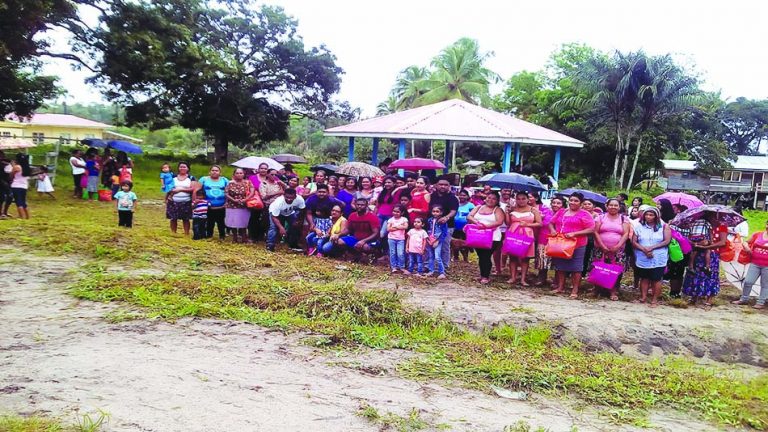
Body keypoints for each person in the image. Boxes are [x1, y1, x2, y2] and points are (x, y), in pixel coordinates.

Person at [549, 192, 595, 299]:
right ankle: (560, 287)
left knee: (576, 268)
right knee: (561, 266)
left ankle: (575, 290)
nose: (573, 202)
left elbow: (591, 229)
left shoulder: (585, 214)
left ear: (581, 203)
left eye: (576, 201)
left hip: (578, 244)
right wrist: (552, 230)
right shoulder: (562, 211)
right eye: (571, 200)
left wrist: (575, 233)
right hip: (561, 243)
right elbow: (551, 223)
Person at [682, 213, 726, 308]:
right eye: (712, 216)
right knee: (695, 274)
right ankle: (694, 296)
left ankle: (709, 298)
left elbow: (723, 242)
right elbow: (690, 236)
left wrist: (708, 246)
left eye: (715, 216)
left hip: (712, 254)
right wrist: (696, 244)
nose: (714, 218)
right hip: (698, 253)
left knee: (710, 275)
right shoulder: (700, 225)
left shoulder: (722, 227)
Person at [592, 198, 631, 301]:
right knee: (599, 268)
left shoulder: (624, 219)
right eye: (611, 205)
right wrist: (602, 246)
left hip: (618, 250)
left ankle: (613, 291)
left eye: (615, 205)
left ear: (619, 207)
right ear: (606, 206)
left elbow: (626, 233)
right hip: (601, 248)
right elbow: (595, 232)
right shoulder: (600, 217)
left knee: (615, 270)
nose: (613, 207)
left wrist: (618, 246)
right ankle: (597, 289)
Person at [632, 207, 671, 307]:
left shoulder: (664, 226)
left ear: (656, 216)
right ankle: (643, 297)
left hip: (658, 256)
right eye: (647, 214)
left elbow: (666, 241)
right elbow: (634, 241)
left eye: (651, 215)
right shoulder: (639, 226)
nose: (648, 217)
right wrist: (644, 249)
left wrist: (652, 248)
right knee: (644, 277)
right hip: (642, 255)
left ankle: (654, 300)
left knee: (656, 278)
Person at [467, 191, 506, 284]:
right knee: (481, 256)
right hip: (478, 235)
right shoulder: (478, 207)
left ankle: (485, 276)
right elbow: (469, 216)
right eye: (489, 197)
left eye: (493, 198)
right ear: (485, 198)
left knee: (486, 255)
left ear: (497, 201)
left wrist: (486, 226)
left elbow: (499, 222)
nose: (490, 200)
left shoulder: (498, 210)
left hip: (492, 237)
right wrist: (477, 223)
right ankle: (482, 274)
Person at [505, 191, 542, 286]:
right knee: (512, 256)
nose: (521, 201)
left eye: (523, 198)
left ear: (527, 199)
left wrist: (527, 224)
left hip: (527, 233)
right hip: (513, 232)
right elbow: (508, 223)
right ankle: (513, 277)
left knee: (525, 257)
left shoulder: (533, 210)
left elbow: (539, 223)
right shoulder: (512, 209)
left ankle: (523, 279)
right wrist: (506, 213)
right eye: (518, 199)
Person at [732, 220, 768, 309]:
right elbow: (746, 242)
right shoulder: (758, 234)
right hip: (755, 263)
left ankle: (761, 302)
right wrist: (747, 247)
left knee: (765, 284)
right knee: (748, 281)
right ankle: (744, 299)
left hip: (767, 265)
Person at [430, 178, 459, 270]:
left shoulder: (452, 198)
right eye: (440, 184)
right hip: (433, 225)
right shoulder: (432, 196)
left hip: (447, 225)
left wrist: (446, 217)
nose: (443, 186)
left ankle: (444, 266)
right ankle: (431, 266)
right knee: (432, 245)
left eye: (445, 185)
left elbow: (453, 211)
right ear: (436, 185)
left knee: (444, 246)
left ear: (449, 186)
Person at [339, 198, 381, 262]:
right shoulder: (352, 215)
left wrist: (363, 241)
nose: (359, 206)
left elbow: (376, 233)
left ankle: (373, 254)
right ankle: (357, 255)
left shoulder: (372, 216)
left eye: (362, 205)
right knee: (340, 241)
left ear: (366, 206)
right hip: (357, 238)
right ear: (355, 205)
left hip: (370, 240)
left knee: (365, 247)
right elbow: (348, 229)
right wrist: (337, 235)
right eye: (358, 204)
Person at [305, 184, 341, 254]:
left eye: (324, 192)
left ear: (328, 192)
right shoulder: (311, 199)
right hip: (315, 219)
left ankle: (320, 252)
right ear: (316, 192)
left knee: (320, 241)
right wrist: (312, 224)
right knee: (309, 237)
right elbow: (308, 213)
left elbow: (342, 204)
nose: (321, 194)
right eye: (319, 192)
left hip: (328, 220)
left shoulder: (331, 200)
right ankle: (311, 249)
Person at [195, 165, 229, 240]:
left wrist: (227, 203)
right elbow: (196, 190)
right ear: (209, 172)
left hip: (221, 206)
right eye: (213, 170)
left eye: (216, 170)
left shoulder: (224, 180)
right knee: (210, 222)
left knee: (221, 222)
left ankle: (222, 236)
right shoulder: (204, 179)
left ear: (220, 172)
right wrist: (195, 201)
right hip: (207, 206)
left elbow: (228, 192)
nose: (214, 172)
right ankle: (209, 235)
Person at [267, 188, 306, 252]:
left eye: (291, 198)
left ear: (295, 196)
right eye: (287, 197)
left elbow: (302, 209)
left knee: (295, 226)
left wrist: (299, 220)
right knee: (273, 227)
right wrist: (281, 228)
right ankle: (270, 245)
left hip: (290, 212)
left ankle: (293, 245)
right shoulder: (278, 202)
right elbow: (274, 217)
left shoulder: (299, 199)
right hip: (276, 214)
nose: (289, 199)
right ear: (284, 195)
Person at [255, 167, 285, 241]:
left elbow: (287, 191)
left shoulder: (278, 183)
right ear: (268, 174)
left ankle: (277, 238)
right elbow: (264, 197)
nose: (274, 176)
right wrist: (277, 193)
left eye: (275, 175)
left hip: (279, 206)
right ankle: (263, 237)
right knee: (266, 222)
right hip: (268, 206)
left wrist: (283, 185)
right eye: (272, 174)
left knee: (279, 222)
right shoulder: (264, 184)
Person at [225, 167, 255, 243]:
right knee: (233, 221)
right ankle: (234, 237)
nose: (239, 175)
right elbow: (226, 193)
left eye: (241, 173)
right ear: (234, 174)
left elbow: (252, 192)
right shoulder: (230, 183)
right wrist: (233, 200)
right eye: (237, 173)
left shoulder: (248, 182)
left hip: (244, 204)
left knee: (243, 221)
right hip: (232, 205)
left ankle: (244, 237)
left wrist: (246, 199)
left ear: (244, 174)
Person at [533, 193, 556, 287]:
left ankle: (557, 280)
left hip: (557, 239)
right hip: (543, 237)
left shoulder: (565, 213)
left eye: (558, 203)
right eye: (554, 202)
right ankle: (541, 277)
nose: (555, 205)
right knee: (542, 258)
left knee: (557, 260)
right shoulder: (546, 211)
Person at [165, 162, 194, 235]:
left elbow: (193, 189)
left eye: (184, 167)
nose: (182, 168)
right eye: (181, 167)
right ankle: (173, 232)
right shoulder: (173, 177)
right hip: (173, 201)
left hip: (186, 201)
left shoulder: (191, 178)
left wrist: (181, 190)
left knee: (186, 219)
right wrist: (167, 197)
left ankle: (186, 233)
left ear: (188, 169)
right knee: (173, 218)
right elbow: (167, 187)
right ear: (178, 168)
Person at [452, 189, 475, 262]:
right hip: (455, 226)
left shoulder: (470, 205)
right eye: (461, 195)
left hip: (466, 227)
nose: (462, 197)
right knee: (455, 242)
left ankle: (466, 257)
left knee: (465, 243)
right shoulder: (455, 204)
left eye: (464, 195)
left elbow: (474, 215)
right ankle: (456, 257)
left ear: (468, 196)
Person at [5, 154, 30, 219]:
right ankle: (27, 216)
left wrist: (13, 166)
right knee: (23, 201)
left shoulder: (17, 167)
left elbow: (11, 176)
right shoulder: (26, 167)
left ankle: (21, 216)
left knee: (18, 202)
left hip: (16, 186)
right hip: (24, 186)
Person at [386, 205, 409, 273]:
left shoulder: (404, 219)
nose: (395, 213)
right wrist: (399, 227)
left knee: (400, 253)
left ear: (402, 213)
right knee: (392, 252)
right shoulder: (390, 219)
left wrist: (394, 227)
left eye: (397, 212)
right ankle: (394, 267)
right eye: (394, 211)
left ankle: (401, 266)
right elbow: (388, 229)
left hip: (400, 239)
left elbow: (406, 227)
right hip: (391, 238)